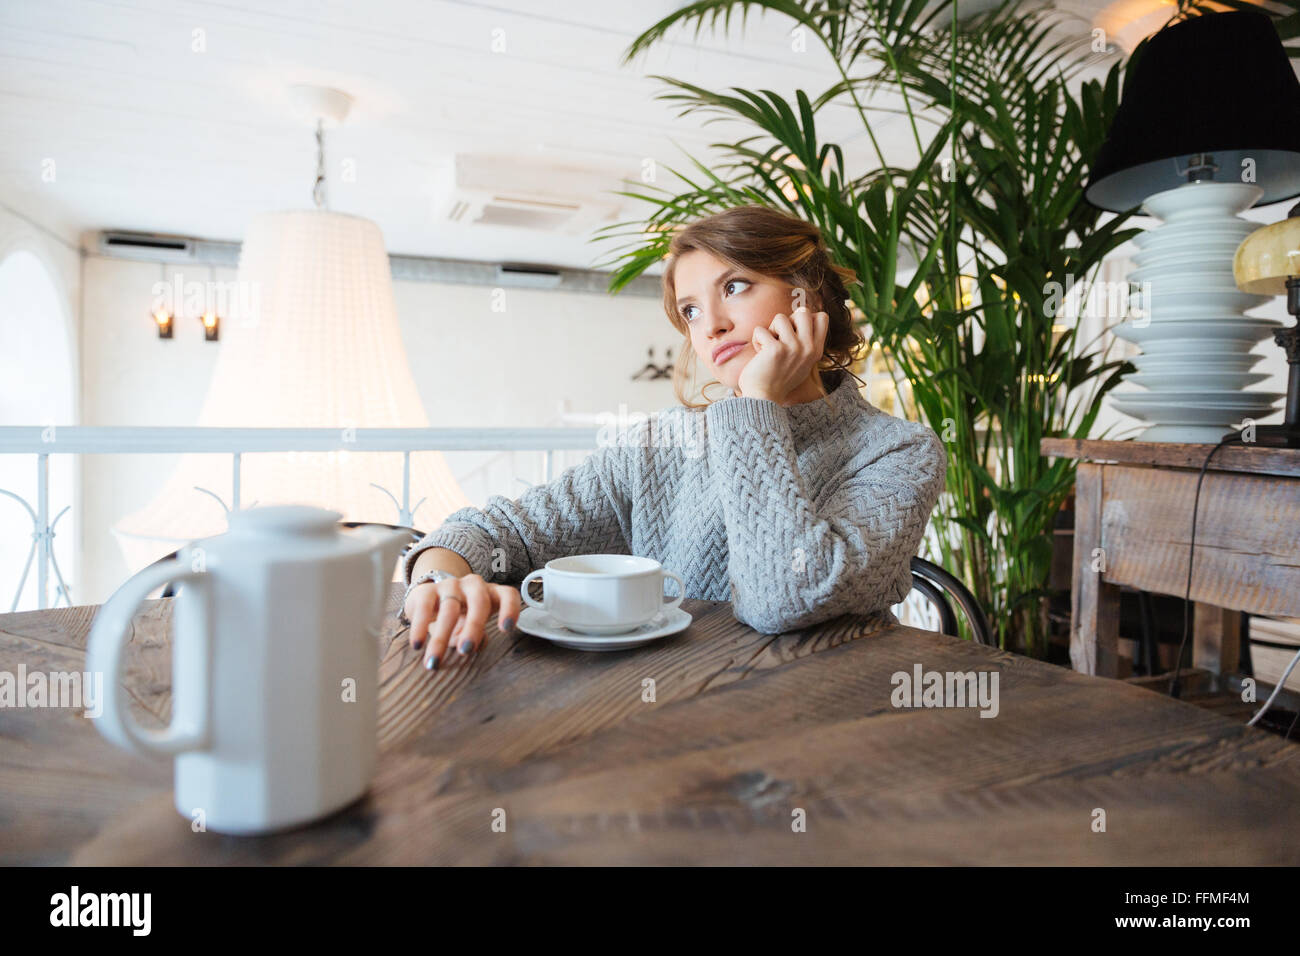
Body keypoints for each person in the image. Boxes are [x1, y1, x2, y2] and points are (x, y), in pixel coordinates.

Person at [399, 204, 947, 672]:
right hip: (673, 722)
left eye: (734, 287)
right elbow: (499, 532)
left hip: (832, 731)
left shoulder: (899, 452)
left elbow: (782, 598)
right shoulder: (661, 443)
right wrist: (436, 580)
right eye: (690, 310)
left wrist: (756, 406)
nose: (709, 326)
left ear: (804, 299)